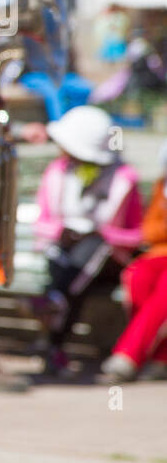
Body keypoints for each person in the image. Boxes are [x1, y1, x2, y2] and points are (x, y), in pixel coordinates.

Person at [32, 105, 143, 375]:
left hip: (104, 261)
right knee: (65, 266)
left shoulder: (123, 180)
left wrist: (101, 233)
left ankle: (53, 315)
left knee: (85, 261)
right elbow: (44, 222)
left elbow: (138, 235)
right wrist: (61, 232)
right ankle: (55, 325)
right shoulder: (57, 172)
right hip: (62, 256)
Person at [101, 142, 167, 383]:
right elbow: (150, 231)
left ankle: (128, 355)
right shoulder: (162, 187)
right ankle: (160, 356)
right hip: (158, 254)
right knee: (138, 276)